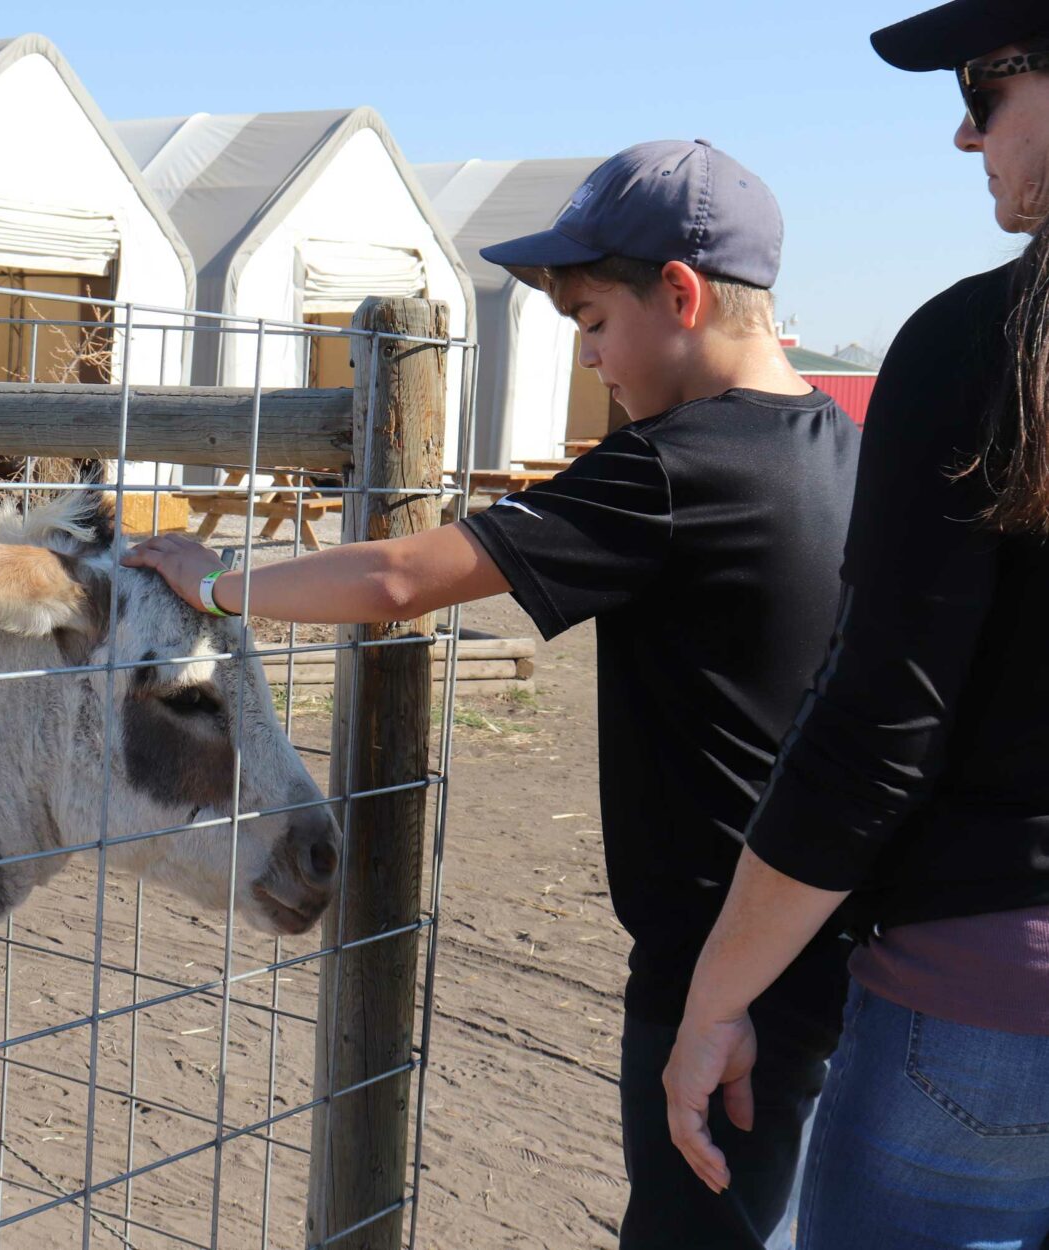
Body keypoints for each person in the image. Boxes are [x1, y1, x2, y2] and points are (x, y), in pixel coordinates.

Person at [124, 140, 860, 1249]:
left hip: (717, 969)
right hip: (832, 942)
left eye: (594, 322)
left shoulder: (672, 465)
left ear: (682, 293)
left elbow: (397, 577)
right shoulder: (845, 451)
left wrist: (216, 579)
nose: (594, 357)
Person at [663, 3, 1049, 1247]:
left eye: (987, 85)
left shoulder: (979, 347)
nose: (960, 131)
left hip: (989, 1013)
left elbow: (880, 724)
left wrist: (717, 995)